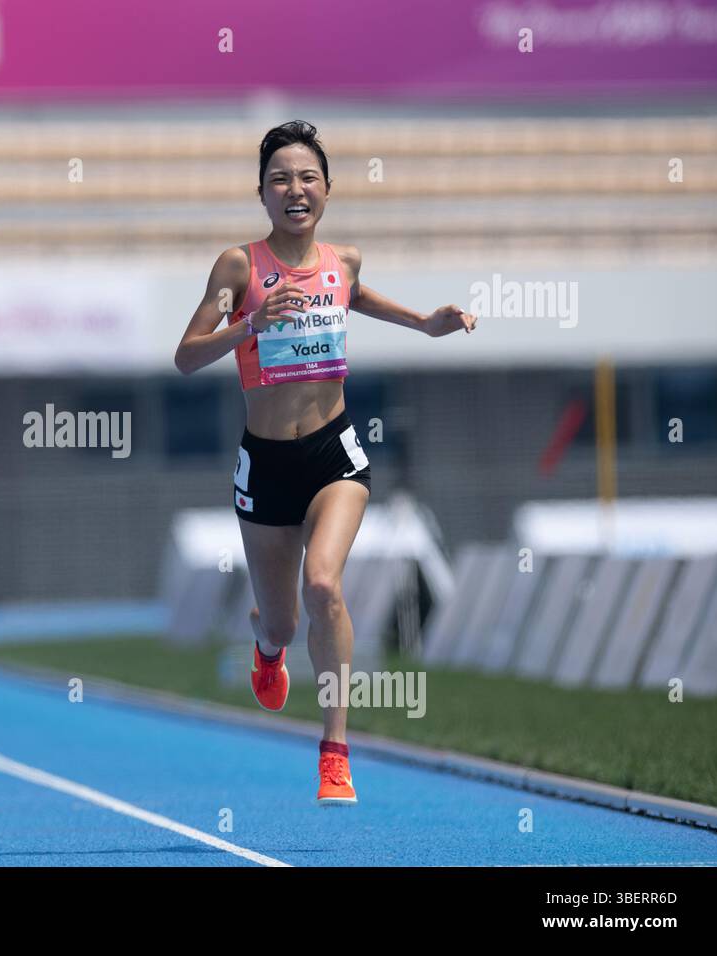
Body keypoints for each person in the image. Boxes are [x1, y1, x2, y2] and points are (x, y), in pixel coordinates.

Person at [173, 120, 476, 805]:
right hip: (266, 464)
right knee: (282, 618)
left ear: (328, 190)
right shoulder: (237, 268)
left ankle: (335, 752)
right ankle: (268, 645)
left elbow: (356, 297)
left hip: (334, 452)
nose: (295, 189)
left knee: (326, 587)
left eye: (307, 177)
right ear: (261, 193)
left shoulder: (346, 260)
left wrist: (427, 324)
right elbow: (187, 355)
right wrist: (250, 322)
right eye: (280, 178)